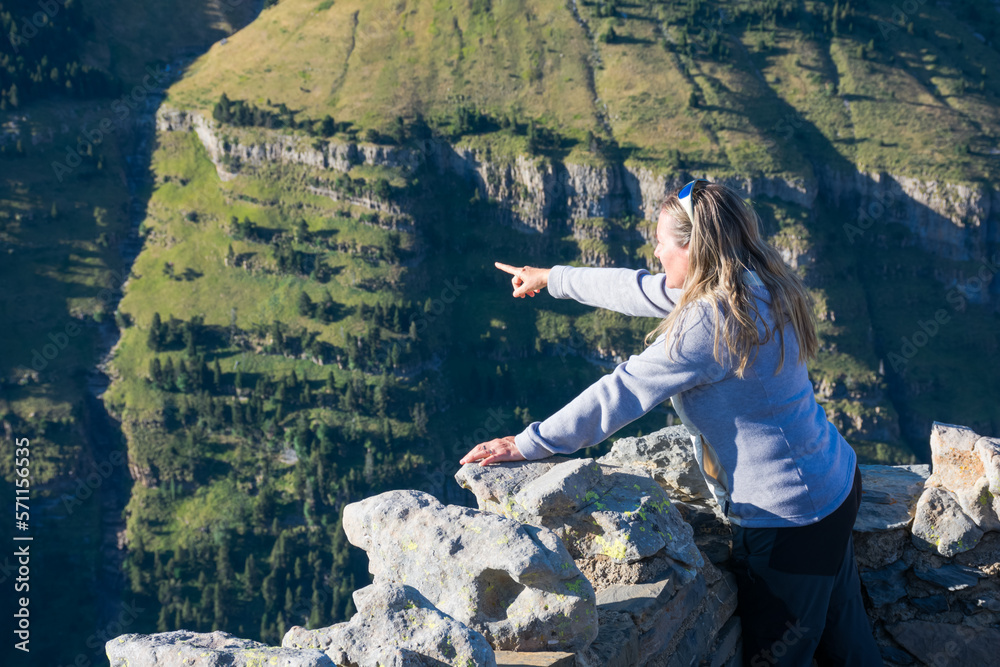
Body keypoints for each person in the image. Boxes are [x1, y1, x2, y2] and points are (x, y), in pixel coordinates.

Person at [458, 180, 883, 666]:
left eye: (663, 241)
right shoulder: (752, 281)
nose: (655, 251)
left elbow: (621, 392)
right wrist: (552, 277)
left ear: (694, 248)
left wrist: (529, 442)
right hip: (834, 484)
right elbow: (634, 287)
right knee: (845, 638)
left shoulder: (709, 321)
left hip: (788, 520)